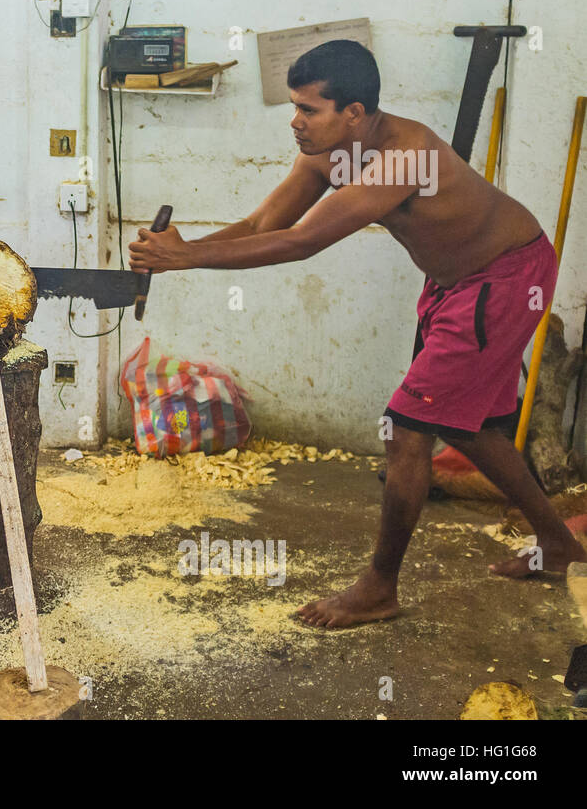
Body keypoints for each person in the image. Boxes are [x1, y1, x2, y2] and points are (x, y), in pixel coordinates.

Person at [127, 39, 586, 629]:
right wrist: (185, 249)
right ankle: (558, 544)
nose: (295, 122)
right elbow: (267, 223)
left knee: (408, 430)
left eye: (308, 110)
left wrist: (185, 262)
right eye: (293, 107)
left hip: (502, 279)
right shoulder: (327, 150)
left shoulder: (404, 156)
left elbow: (303, 243)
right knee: (462, 425)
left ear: (354, 112)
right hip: (454, 284)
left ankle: (378, 588)